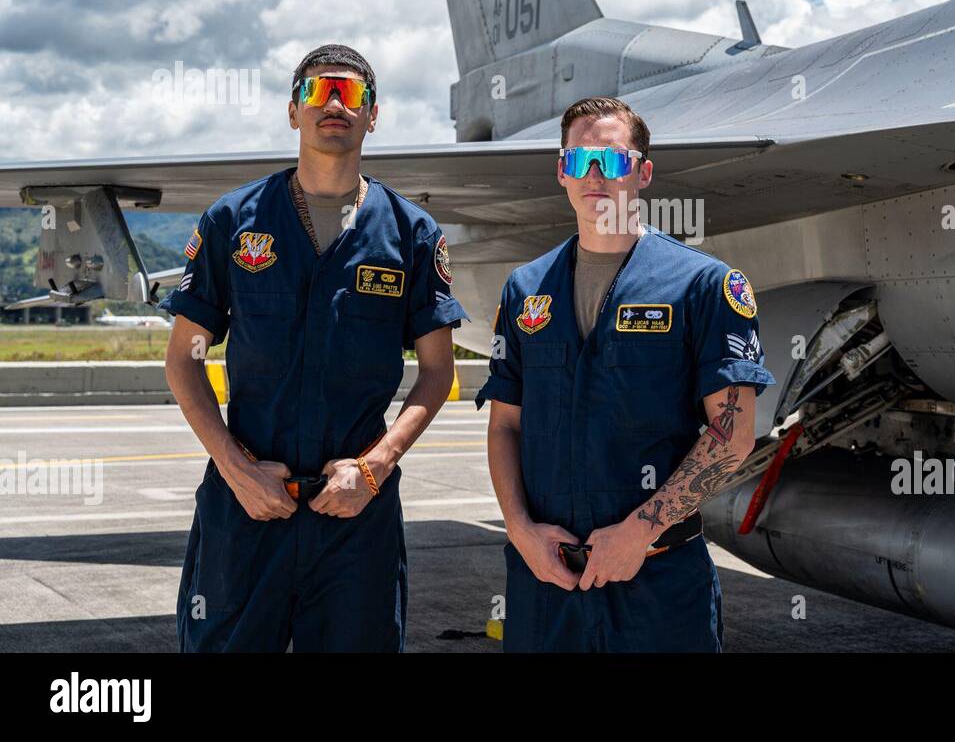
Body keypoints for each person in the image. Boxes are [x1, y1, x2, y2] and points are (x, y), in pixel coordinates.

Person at [160, 43, 466, 651]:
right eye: (318, 91)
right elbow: (183, 361)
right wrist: (236, 468)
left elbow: (436, 372)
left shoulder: (410, 233)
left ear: (372, 115)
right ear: (293, 109)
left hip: (355, 511)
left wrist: (377, 467)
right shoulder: (234, 220)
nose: (333, 103)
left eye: (350, 94)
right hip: (246, 503)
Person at [477, 96, 775, 652]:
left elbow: (732, 436)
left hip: (658, 585)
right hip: (547, 582)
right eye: (578, 160)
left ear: (642, 172)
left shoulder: (705, 287)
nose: (595, 175)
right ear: (561, 170)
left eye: (612, 161)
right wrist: (519, 533)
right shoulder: (525, 290)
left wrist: (640, 532)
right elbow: (506, 428)